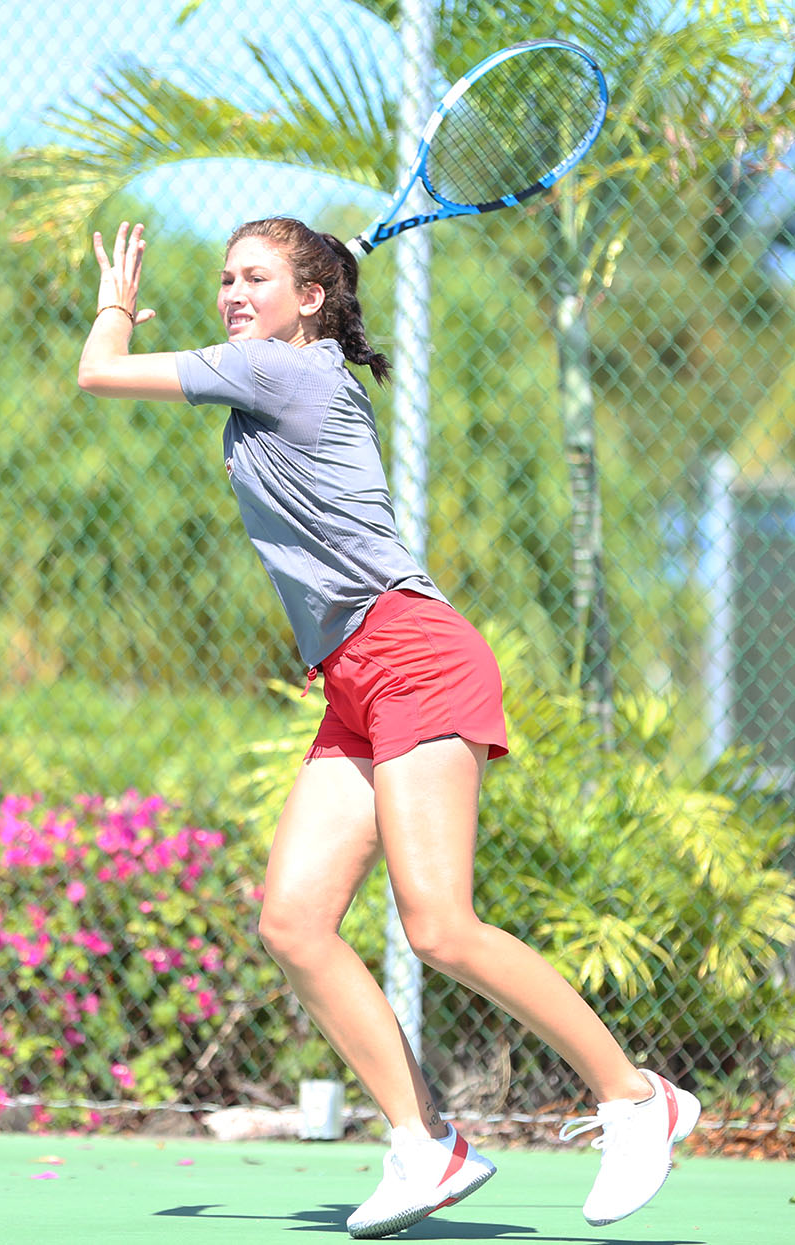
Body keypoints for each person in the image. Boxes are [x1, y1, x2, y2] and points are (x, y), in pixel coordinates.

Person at [76, 218, 697, 1239]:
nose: (232, 292)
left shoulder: (281, 373)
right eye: (226, 278)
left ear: (313, 298)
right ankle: (425, 1145)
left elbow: (100, 374)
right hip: (355, 677)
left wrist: (113, 306)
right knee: (293, 921)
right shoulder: (276, 370)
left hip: (412, 655)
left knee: (440, 925)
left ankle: (636, 1099)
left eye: (256, 277)